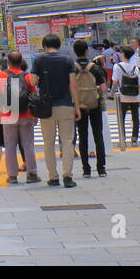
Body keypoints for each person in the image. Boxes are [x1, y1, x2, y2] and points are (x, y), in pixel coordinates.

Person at [28, 34, 79, 187]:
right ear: (59, 45)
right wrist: (77, 105)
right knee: (68, 142)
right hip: (65, 105)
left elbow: (33, 81)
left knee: (48, 143)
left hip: (46, 108)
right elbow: (73, 85)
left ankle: (53, 177)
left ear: (44, 45)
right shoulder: (67, 60)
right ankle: (68, 176)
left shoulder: (39, 60)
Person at [0, 52, 40, 185]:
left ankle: (12, 176)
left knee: (10, 146)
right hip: (26, 114)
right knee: (28, 145)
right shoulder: (27, 77)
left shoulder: (1, 75)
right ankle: (32, 174)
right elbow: (34, 96)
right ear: (21, 61)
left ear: (8, 62)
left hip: (9, 114)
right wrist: (35, 115)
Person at [72, 40, 108, 177]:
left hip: (79, 106)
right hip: (95, 104)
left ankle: (86, 169)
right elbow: (104, 89)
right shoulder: (95, 68)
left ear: (74, 52)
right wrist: (95, 89)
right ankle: (101, 168)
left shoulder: (72, 68)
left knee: (83, 136)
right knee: (98, 135)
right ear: (87, 51)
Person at [112, 45, 140, 146]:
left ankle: (123, 138)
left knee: (121, 118)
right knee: (135, 118)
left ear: (123, 55)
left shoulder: (117, 66)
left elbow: (115, 82)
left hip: (122, 97)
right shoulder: (135, 68)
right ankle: (134, 139)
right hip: (135, 96)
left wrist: (111, 93)